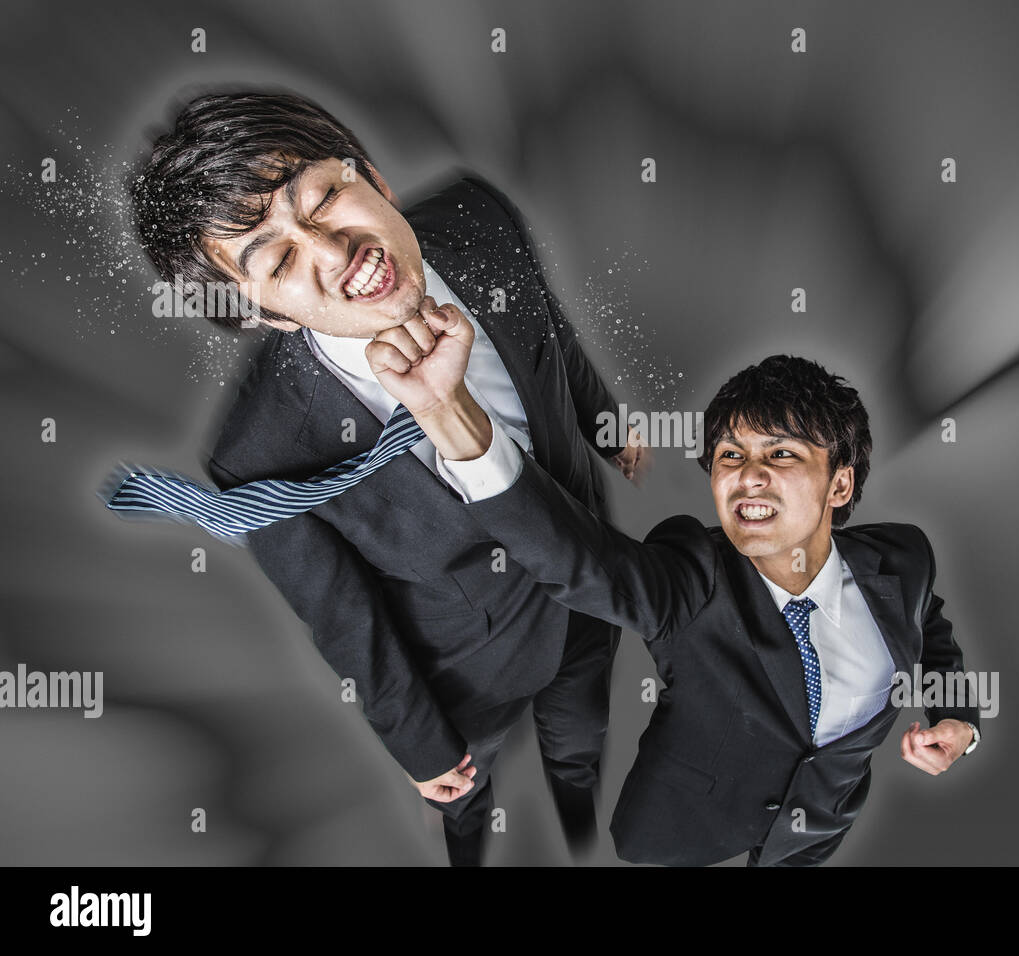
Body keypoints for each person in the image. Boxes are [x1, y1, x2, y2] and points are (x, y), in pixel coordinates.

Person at [127, 90, 649, 865]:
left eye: (326, 197)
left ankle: (579, 839)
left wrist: (606, 425)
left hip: (588, 574)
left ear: (370, 175)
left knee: (580, 747)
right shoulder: (259, 454)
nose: (338, 255)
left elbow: (551, 329)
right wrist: (419, 742)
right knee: (466, 809)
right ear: (263, 312)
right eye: (277, 261)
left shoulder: (480, 218)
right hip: (471, 666)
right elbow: (342, 616)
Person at [389, 302, 983, 866]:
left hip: (818, 827)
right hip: (682, 828)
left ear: (840, 487)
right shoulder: (692, 575)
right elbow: (579, 561)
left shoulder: (903, 557)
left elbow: (929, 630)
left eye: (781, 454)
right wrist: (447, 411)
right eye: (730, 455)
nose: (748, 476)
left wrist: (959, 720)